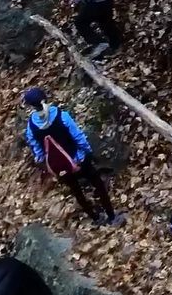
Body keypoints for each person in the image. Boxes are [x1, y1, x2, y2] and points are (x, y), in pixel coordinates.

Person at [21, 88, 117, 225]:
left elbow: (38, 153)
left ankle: (95, 218)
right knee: (98, 183)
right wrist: (89, 152)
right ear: (45, 98)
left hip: (61, 167)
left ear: (31, 106)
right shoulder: (61, 115)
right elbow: (78, 137)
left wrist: (48, 164)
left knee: (77, 192)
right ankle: (111, 216)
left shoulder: (31, 126)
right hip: (79, 160)